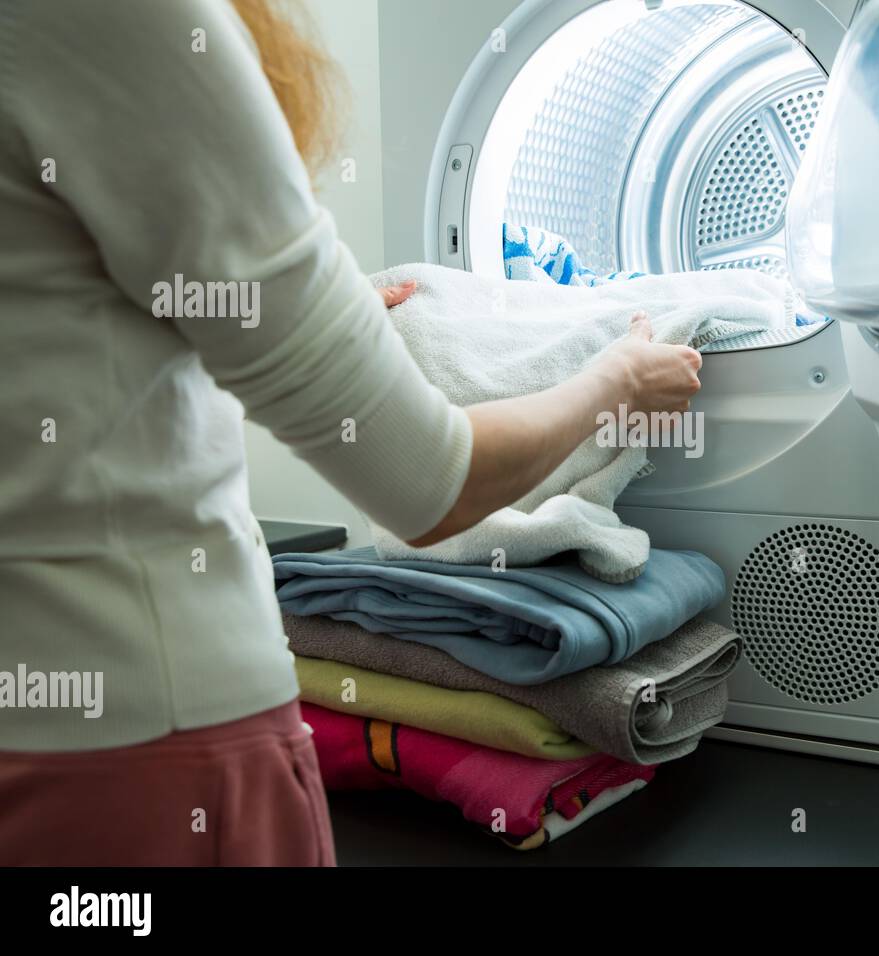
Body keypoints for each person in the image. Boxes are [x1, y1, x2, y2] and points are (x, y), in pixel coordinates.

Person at [0, 0, 702, 865]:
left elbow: (59, 343)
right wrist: (617, 382)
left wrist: (296, 333)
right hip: (143, 747)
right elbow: (428, 482)